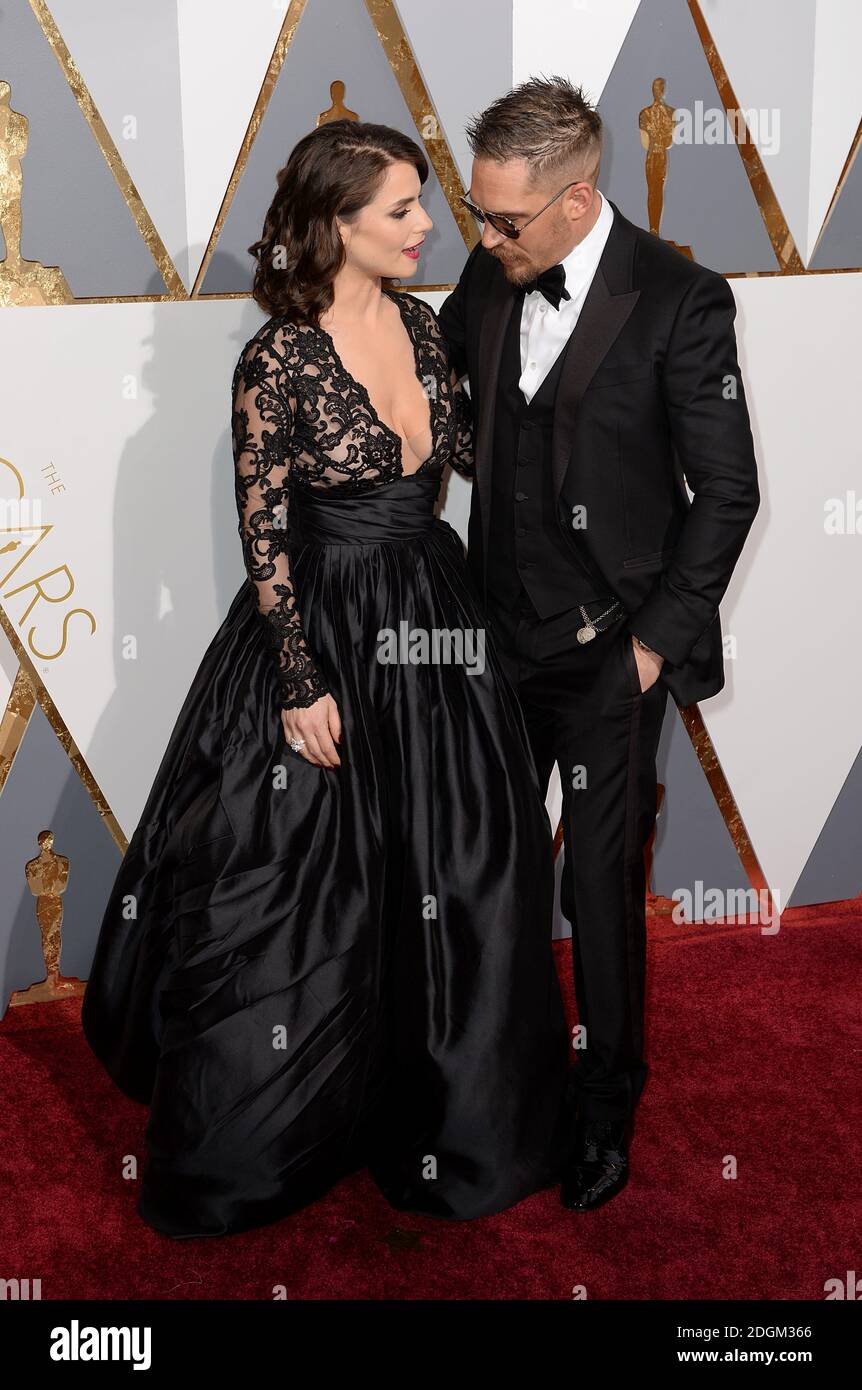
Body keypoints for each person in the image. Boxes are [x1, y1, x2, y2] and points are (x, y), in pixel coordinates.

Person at [81, 119, 572, 1239]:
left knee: (463, 860)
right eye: (399, 209)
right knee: (298, 888)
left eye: (421, 205)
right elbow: (262, 534)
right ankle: (281, 1132)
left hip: (436, 625)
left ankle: (453, 1119)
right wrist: (298, 680)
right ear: (335, 224)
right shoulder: (277, 358)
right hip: (325, 630)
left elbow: (470, 475)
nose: (424, 227)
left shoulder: (424, 325)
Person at [437, 77, 760, 1211]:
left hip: (606, 649)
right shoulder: (491, 273)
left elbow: (727, 492)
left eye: (502, 220)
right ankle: (489, 1074)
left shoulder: (679, 300)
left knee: (597, 883)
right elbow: (446, 411)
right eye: (475, 211)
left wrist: (650, 646)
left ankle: (607, 1090)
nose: (479, 238)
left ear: (576, 202)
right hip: (491, 638)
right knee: (484, 865)